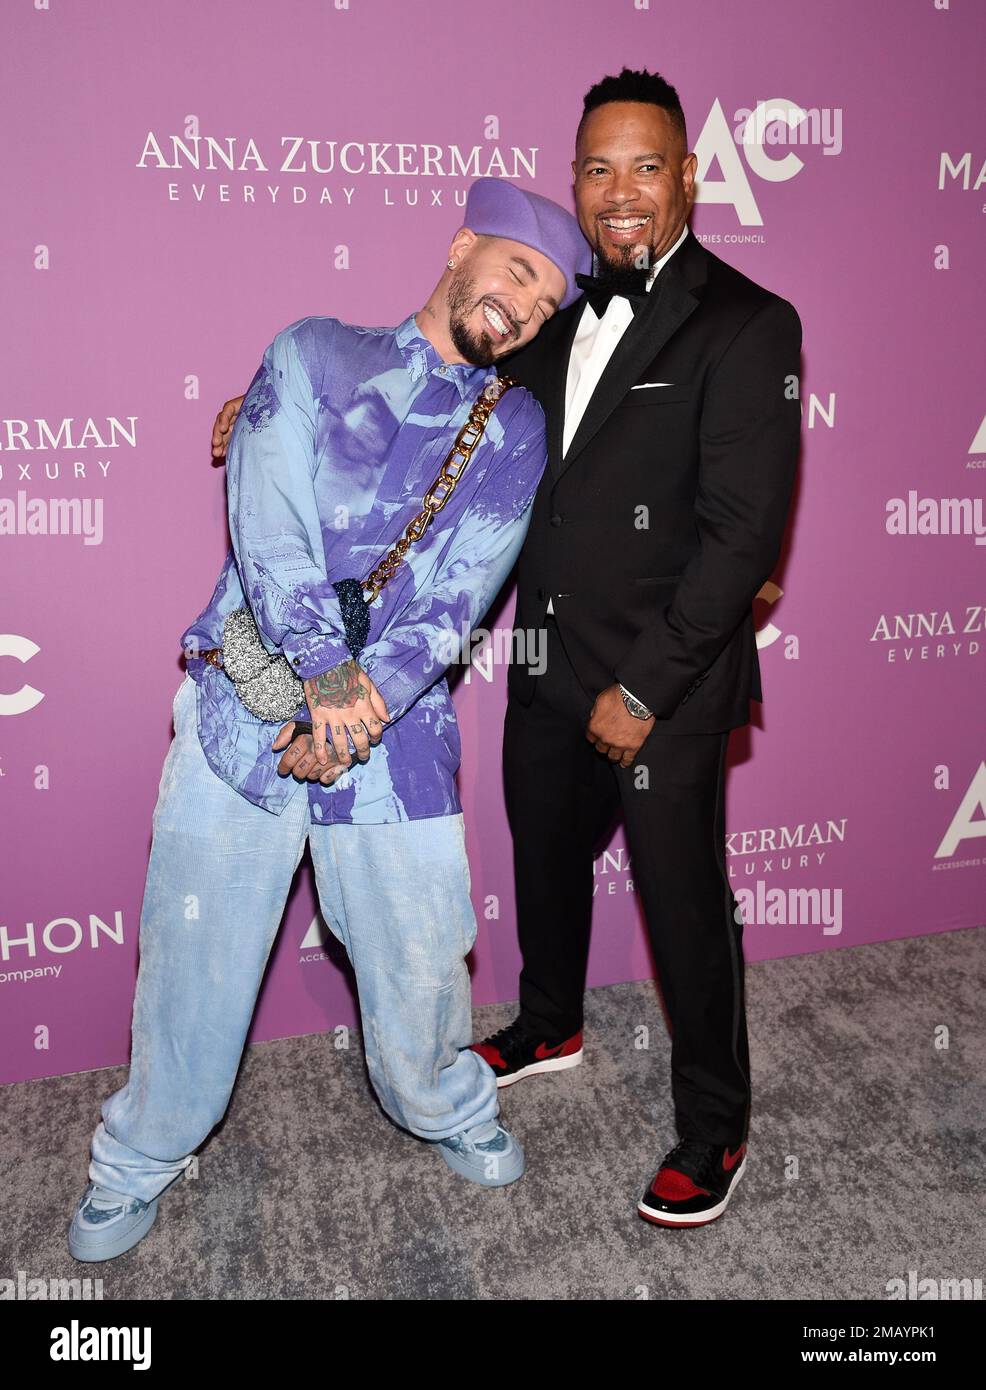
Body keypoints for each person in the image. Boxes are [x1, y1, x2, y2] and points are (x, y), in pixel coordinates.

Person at [68, 176, 589, 1263]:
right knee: (193, 954)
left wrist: (360, 704)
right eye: (517, 273)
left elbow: (458, 596)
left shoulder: (515, 427)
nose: (525, 307)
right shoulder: (310, 350)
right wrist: (319, 673)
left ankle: (443, 1103)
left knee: (416, 956)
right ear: (459, 248)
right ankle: (139, 1155)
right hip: (245, 707)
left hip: (394, 735)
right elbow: (268, 524)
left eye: (545, 304)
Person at [468, 68, 803, 1228]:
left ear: (688, 180)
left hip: (662, 684)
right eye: (596, 169)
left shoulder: (749, 323)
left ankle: (716, 1125)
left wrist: (644, 687)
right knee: (543, 859)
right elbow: (445, 386)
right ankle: (549, 1016)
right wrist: (281, 395)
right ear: (574, 182)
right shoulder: (554, 313)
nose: (618, 193)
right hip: (542, 662)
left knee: (681, 901)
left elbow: (737, 536)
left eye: (644, 166)